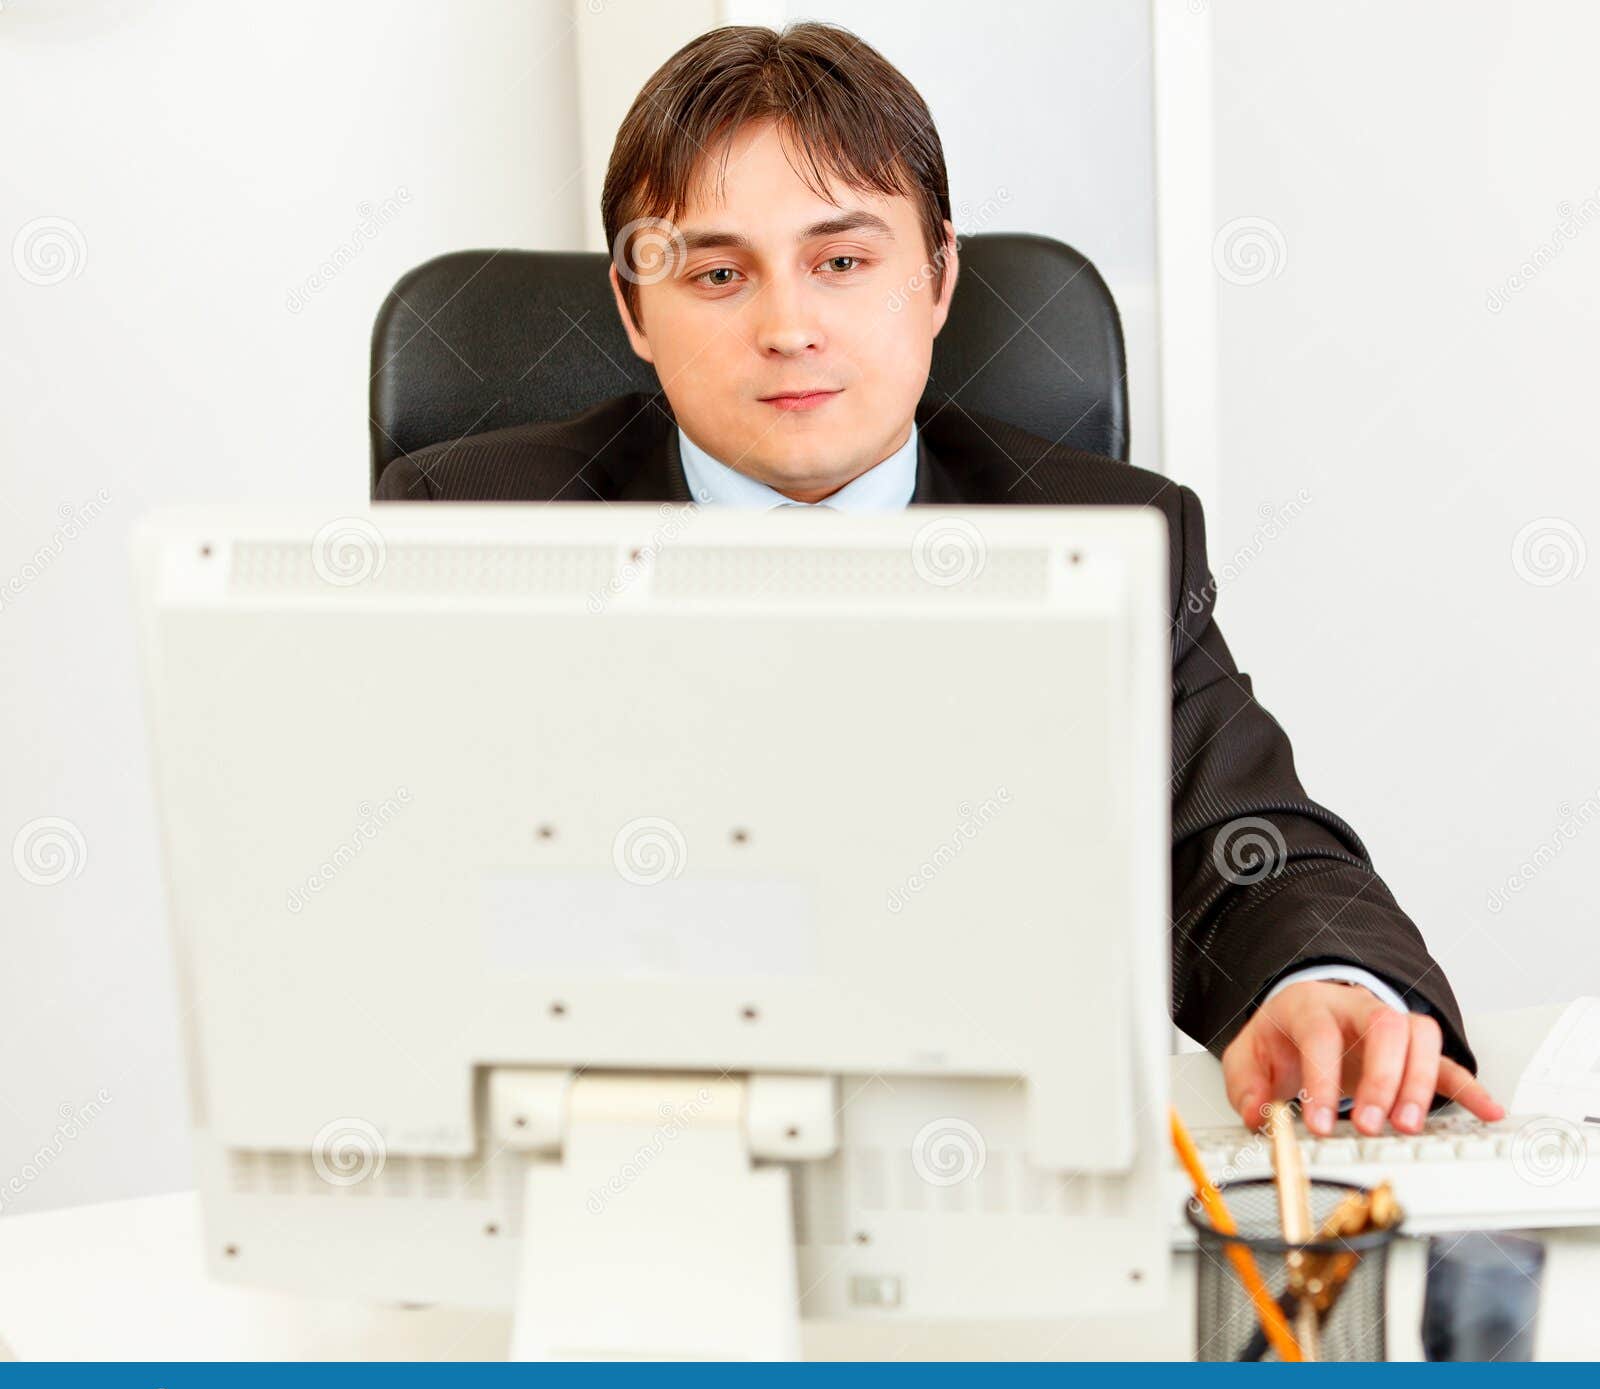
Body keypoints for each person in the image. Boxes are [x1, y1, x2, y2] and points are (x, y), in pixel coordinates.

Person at [376, 21, 1505, 1137]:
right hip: (611, 1156)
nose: (788, 327)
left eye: (842, 263)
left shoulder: (1107, 534)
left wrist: (1317, 983)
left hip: (985, 1154)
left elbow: (1239, 841)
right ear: (633, 308)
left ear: (937, 277)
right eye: (718, 273)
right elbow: (391, 886)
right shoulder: (476, 529)